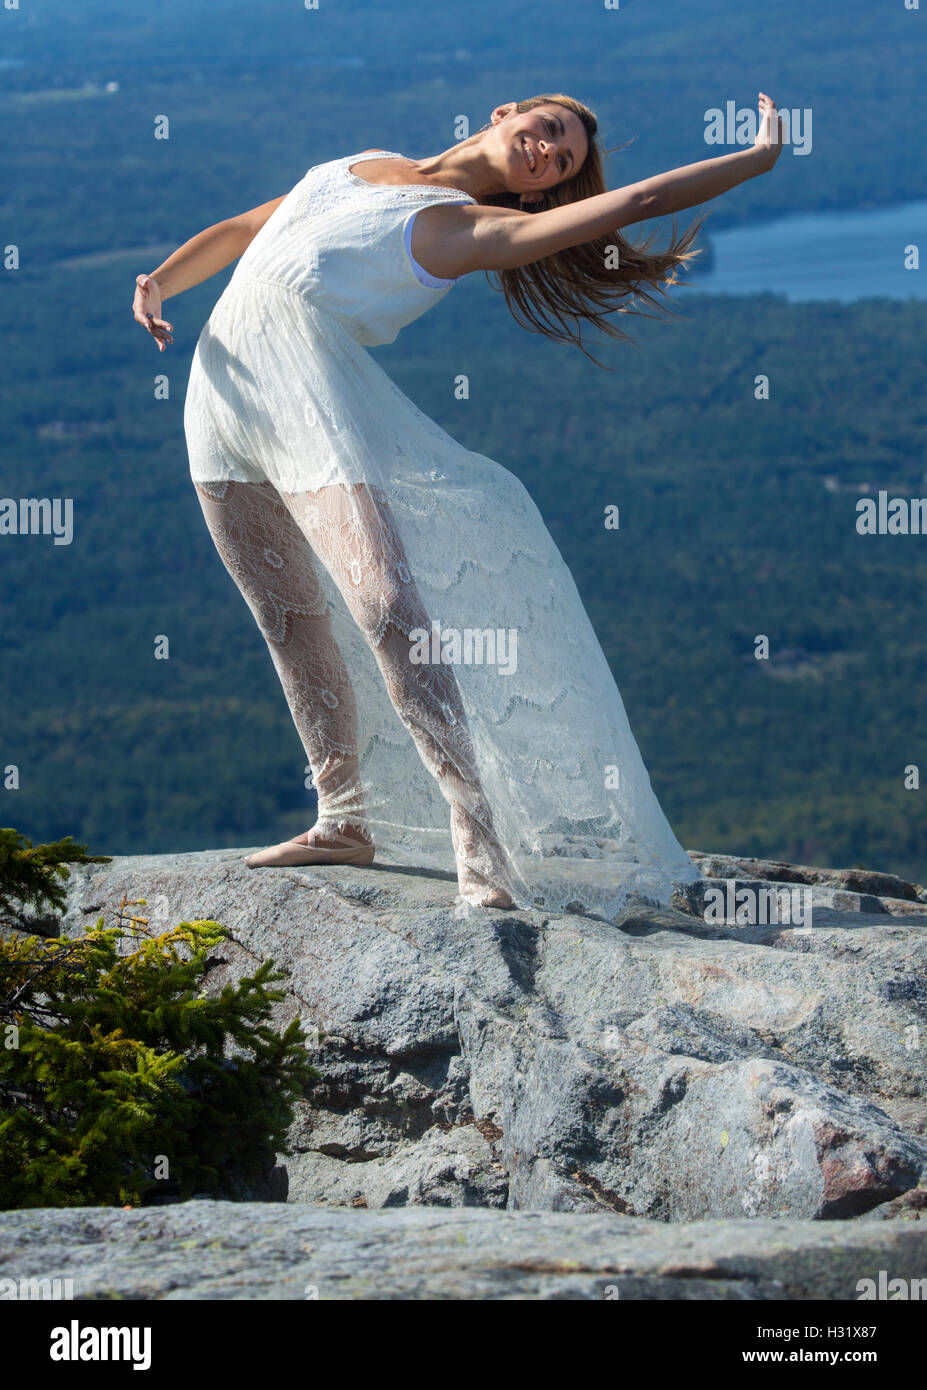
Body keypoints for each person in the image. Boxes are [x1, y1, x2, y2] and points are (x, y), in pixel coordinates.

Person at [132, 92, 783, 916]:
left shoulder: (469, 232)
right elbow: (242, 231)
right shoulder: (358, 163)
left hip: (313, 405)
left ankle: (478, 836)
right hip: (219, 398)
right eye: (547, 128)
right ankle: (344, 818)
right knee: (287, 618)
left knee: (385, 607)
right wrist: (159, 283)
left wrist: (755, 159)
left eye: (565, 158)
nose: (549, 150)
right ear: (505, 111)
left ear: (549, 188)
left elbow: (642, 200)